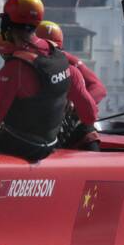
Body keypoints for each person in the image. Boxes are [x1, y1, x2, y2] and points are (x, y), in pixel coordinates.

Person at [0, 0, 98, 161]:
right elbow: (90, 115)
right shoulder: (61, 58)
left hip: (20, 147)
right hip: (51, 145)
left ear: (6, 23)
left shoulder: (14, 69)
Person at [36, 19, 107, 151]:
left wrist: (76, 105)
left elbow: (99, 89)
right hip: (41, 129)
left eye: (53, 49)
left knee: (88, 133)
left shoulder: (70, 62)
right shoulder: (24, 65)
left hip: (67, 126)